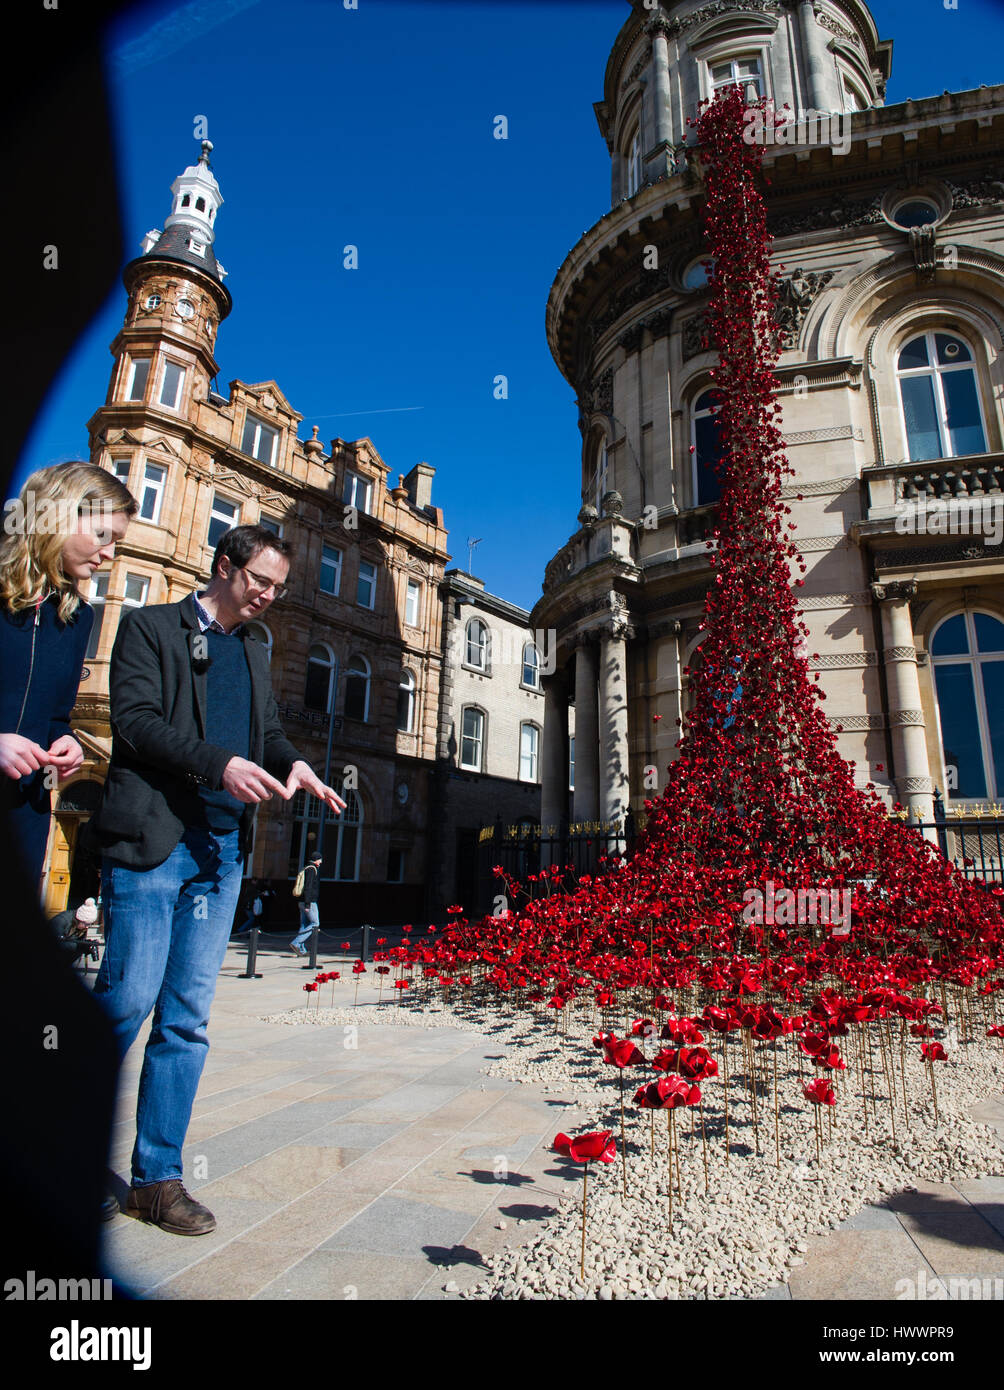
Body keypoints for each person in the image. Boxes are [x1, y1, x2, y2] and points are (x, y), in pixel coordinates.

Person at [84, 524, 346, 1235]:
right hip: (153, 844)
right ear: (224, 566)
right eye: (258, 580)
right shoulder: (150, 627)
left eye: (276, 587)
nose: (267, 596)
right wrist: (215, 765)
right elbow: (134, 724)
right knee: (125, 1003)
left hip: (220, 853)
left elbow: (263, 735)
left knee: (186, 1022)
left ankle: (157, 1181)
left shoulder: (252, 655)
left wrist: (291, 761)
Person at [0, 462, 136, 893]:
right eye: (102, 535)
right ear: (58, 514)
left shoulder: (77, 619)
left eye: (115, 541)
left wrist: (67, 740)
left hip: (25, 813)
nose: (109, 554)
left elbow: (56, 715)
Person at [291, 853, 323, 955]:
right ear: (316, 859)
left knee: (304, 924)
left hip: (301, 901)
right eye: (320, 859)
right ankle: (296, 943)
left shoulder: (305, 868)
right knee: (315, 924)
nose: (321, 862)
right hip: (308, 901)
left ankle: (301, 950)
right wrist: (308, 903)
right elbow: (308, 887)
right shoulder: (311, 869)